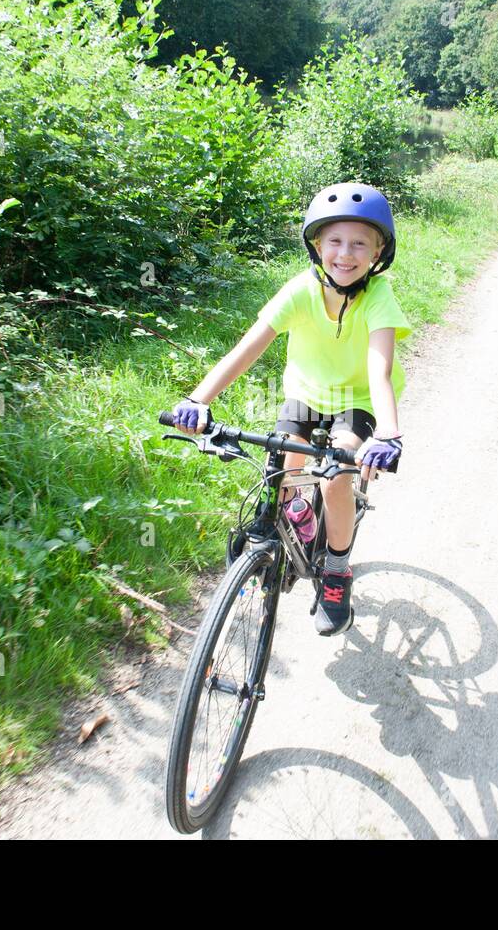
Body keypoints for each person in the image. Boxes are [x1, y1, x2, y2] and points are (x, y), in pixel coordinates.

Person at [168, 182, 410, 636]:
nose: (346, 253)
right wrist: (198, 399)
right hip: (306, 393)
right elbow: (245, 350)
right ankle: (291, 520)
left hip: (356, 400)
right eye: (335, 240)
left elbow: (379, 371)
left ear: (379, 252)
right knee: (280, 469)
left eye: (360, 242)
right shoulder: (299, 290)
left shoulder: (379, 296)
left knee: (336, 473)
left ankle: (336, 573)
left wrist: (389, 435)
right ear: (316, 245)